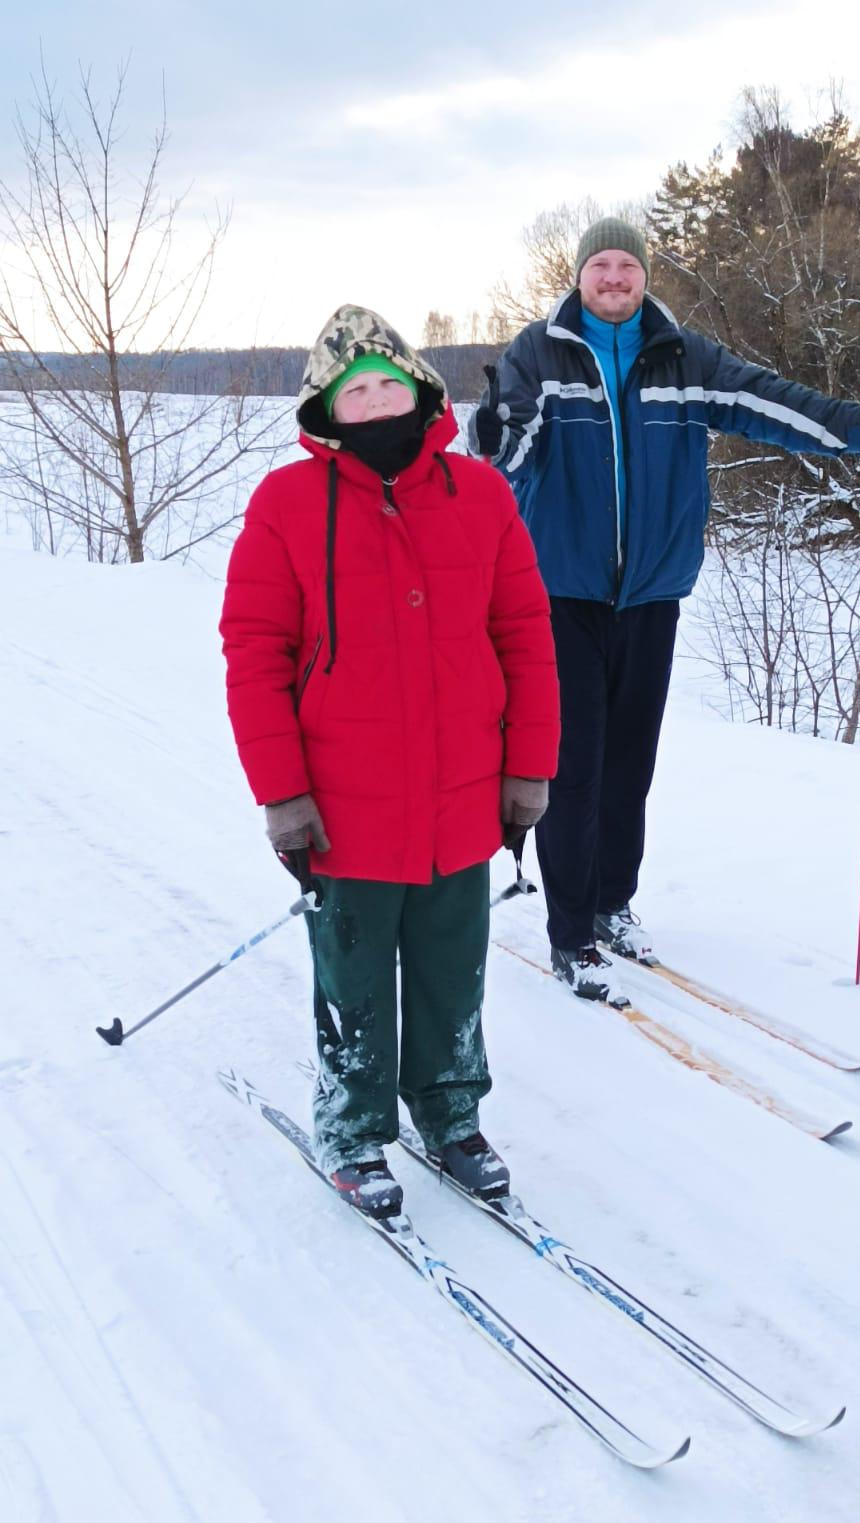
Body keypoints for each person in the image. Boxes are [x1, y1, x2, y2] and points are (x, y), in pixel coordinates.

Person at [470, 218, 860, 1001]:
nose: (614, 277)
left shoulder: (685, 355)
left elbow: (772, 405)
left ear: (645, 276)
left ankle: (613, 904)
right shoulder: (537, 352)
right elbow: (506, 446)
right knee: (572, 769)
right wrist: (492, 431)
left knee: (629, 764)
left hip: (652, 592)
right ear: (581, 276)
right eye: (601, 265)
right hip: (561, 593)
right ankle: (571, 933)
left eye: (627, 265)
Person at [221, 305, 559, 1215]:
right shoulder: (286, 505)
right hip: (343, 805)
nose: (374, 403)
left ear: (420, 389)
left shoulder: (480, 495)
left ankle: (451, 1115)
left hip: (461, 796)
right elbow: (253, 652)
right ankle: (353, 1128)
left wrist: (528, 768)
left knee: (454, 968)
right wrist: (282, 795)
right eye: (352, 391)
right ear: (325, 409)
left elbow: (525, 635)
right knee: (355, 978)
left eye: (388, 385)